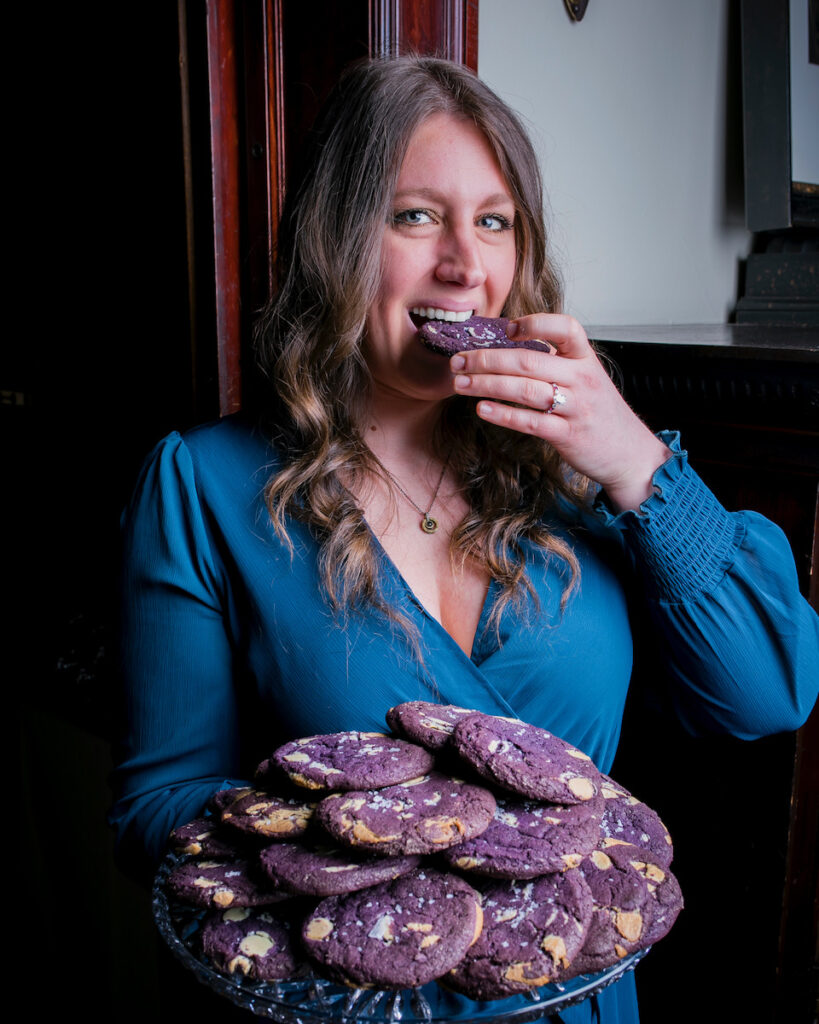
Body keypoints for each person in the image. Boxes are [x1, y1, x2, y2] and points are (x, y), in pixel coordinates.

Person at [110, 56, 819, 1023]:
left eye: (494, 222)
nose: (465, 267)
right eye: (415, 216)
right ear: (332, 239)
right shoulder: (204, 483)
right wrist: (372, 845)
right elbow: (155, 810)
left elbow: (765, 694)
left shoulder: (581, 474)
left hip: (572, 999)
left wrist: (634, 461)